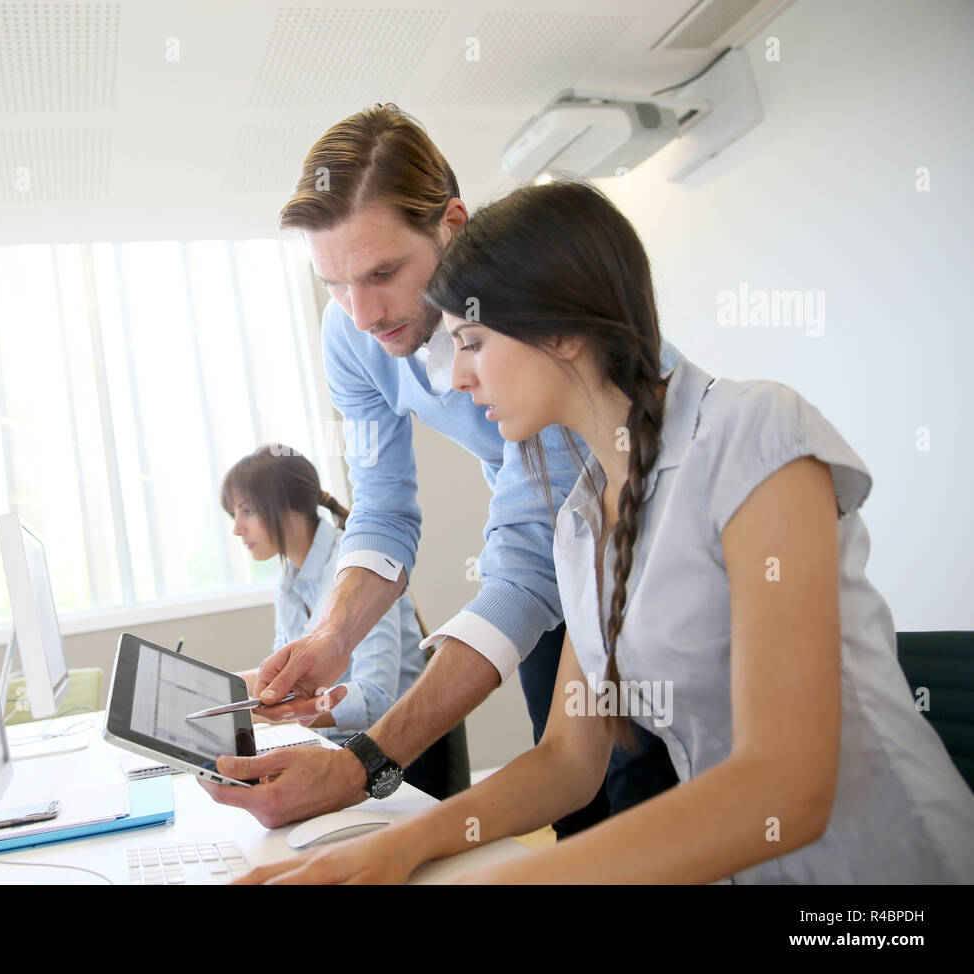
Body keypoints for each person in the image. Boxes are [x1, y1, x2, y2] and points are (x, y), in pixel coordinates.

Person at [236, 179, 974, 883]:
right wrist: (399, 848)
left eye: (472, 342)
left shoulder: (753, 432)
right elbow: (567, 760)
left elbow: (784, 789)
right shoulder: (584, 516)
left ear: (559, 328)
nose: (457, 380)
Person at [198, 103, 680, 831]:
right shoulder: (354, 333)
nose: (361, 313)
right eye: (333, 284)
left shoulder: (530, 320)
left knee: (645, 784)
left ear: (451, 226)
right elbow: (384, 504)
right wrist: (335, 634)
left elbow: (522, 566)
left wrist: (359, 769)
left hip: (647, 538)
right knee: (580, 792)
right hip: (566, 542)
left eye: (383, 272)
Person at [220, 445, 424, 751]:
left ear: (292, 508)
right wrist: (215, 689)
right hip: (336, 745)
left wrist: (269, 716)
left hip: (399, 750)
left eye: (248, 510)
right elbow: (279, 675)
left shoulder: (356, 571)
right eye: (234, 513)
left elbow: (376, 697)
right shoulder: (288, 582)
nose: (237, 529)